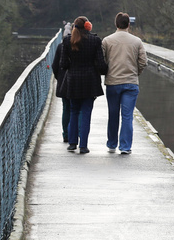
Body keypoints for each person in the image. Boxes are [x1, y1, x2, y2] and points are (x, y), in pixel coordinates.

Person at [59, 16, 107, 153]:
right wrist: (105, 71)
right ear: (88, 26)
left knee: (74, 111)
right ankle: (83, 146)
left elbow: (63, 64)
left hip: (73, 81)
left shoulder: (67, 41)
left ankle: (72, 143)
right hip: (90, 81)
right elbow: (101, 63)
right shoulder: (95, 40)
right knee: (86, 113)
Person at [102, 11, 147, 154]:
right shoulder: (137, 41)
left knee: (113, 114)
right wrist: (136, 73)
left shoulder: (107, 41)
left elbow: (101, 61)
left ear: (116, 24)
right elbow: (143, 62)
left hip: (113, 82)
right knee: (127, 116)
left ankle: (111, 144)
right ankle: (125, 147)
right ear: (128, 24)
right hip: (131, 83)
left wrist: (108, 73)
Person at [50, 22, 73, 142]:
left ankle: (66, 134)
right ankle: (76, 134)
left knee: (66, 108)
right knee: (76, 109)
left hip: (64, 82)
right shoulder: (81, 45)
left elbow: (54, 65)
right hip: (77, 82)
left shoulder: (60, 46)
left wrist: (59, 78)